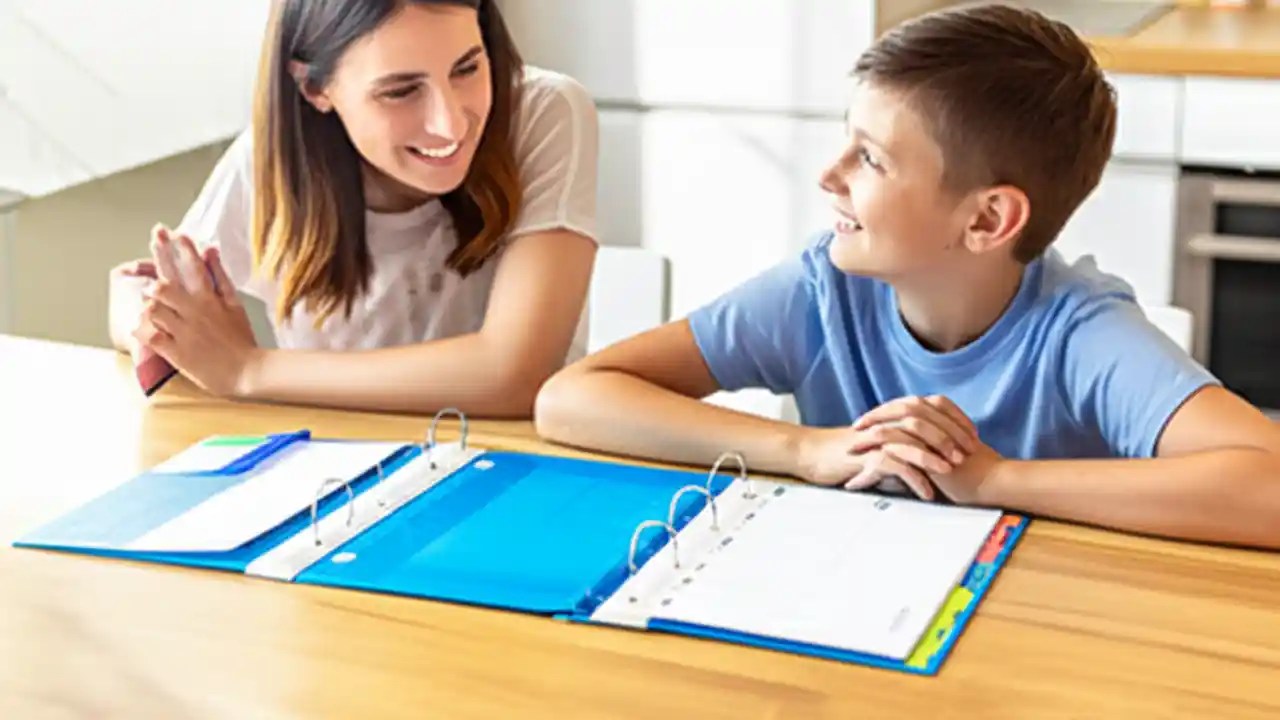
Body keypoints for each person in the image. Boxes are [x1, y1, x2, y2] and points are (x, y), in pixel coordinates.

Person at [534, 4, 1280, 549]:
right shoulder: (820, 291)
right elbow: (572, 398)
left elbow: (1269, 486)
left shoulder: (1081, 336)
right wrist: (810, 450)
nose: (829, 175)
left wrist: (993, 482)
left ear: (987, 221)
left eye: (872, 158)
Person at [107, 0, 598, 417]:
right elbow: (142, 299)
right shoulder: (275, 163)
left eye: (468, 68)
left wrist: (250, 369)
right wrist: (152, 316)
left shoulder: (543, 114)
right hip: (335, 479)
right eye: (401, 91)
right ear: (314, 88)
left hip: (514, 474)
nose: (449, 124)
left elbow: (513, 373)